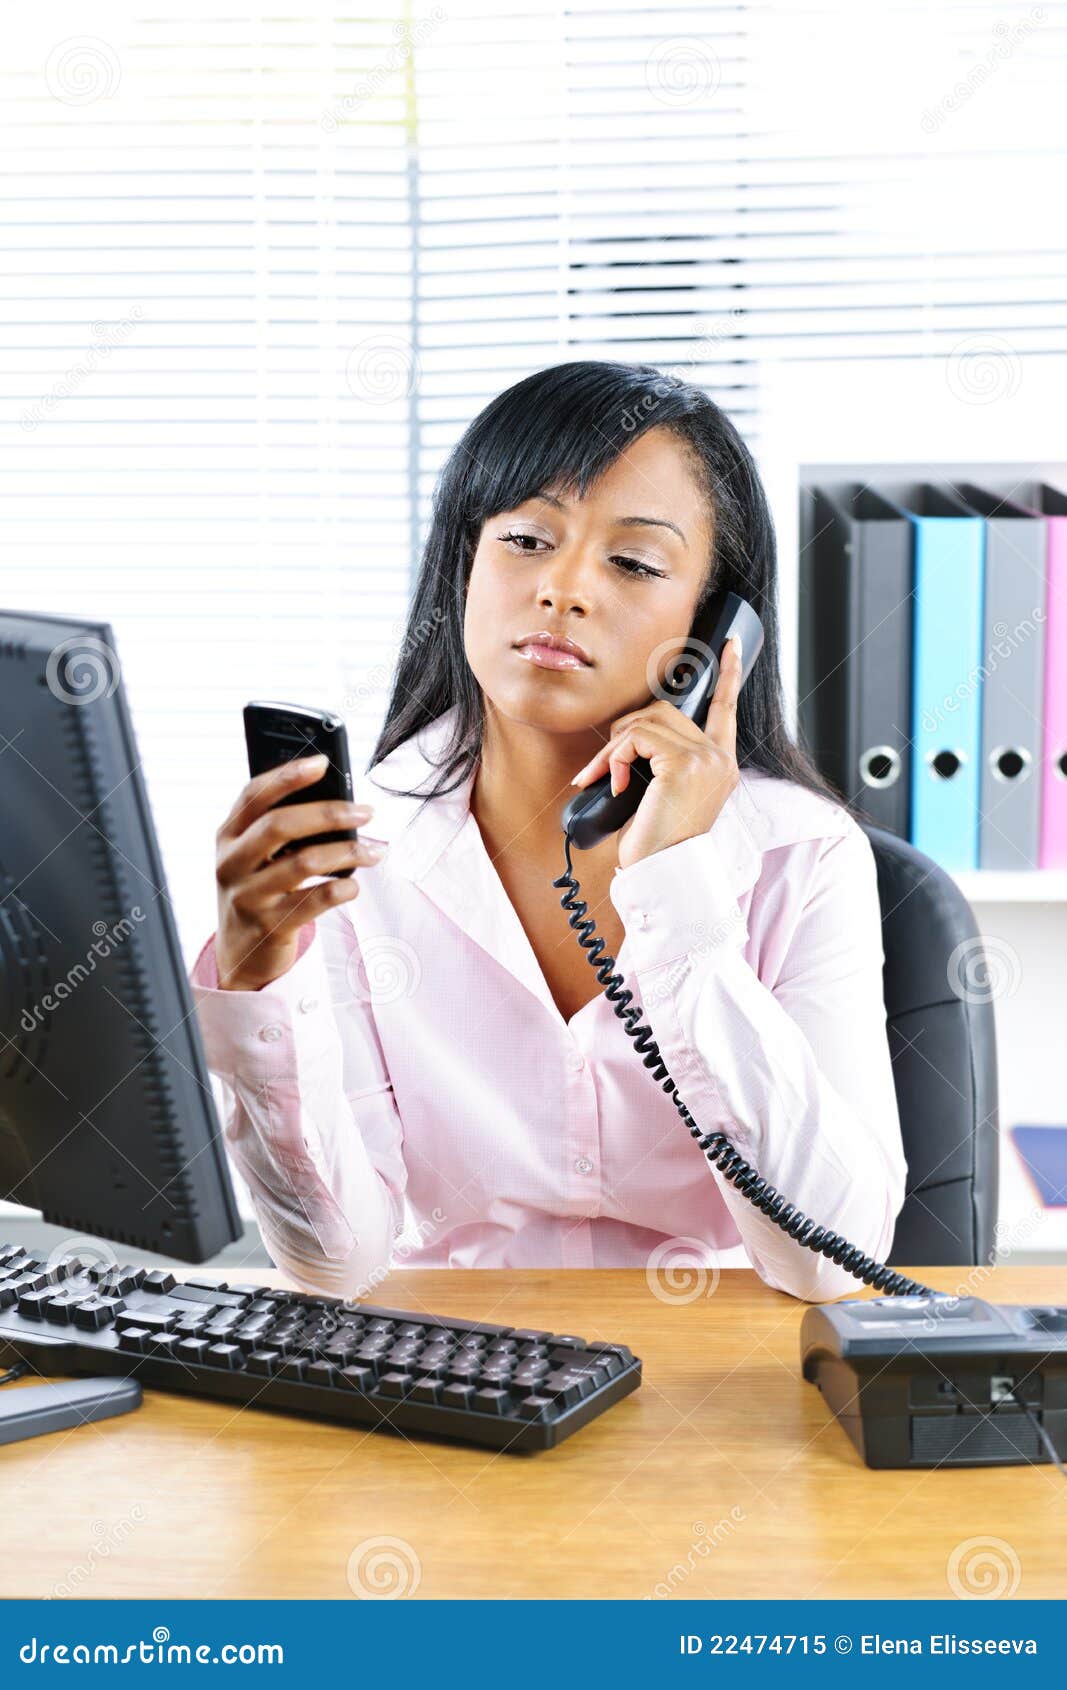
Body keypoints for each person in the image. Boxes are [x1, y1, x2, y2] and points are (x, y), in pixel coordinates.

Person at [190, 360, 907, 1304]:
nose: (563, 589)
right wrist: (260, 982)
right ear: (464, 566)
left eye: (634, 562)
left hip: (723, 1391)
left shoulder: (799, 857)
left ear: (718, 631)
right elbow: (335, 1260)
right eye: (526, 538)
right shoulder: (367, 852)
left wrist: (679, 899)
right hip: (454, 1375)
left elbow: (827, 1260)